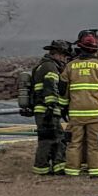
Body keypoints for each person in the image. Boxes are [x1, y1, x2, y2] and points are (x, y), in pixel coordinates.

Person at [64, 29, 98, 177]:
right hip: (97, 114)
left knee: (74, 144)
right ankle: (96, 171)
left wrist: (63, 108)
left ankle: (72, 171)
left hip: (75, 114)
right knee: (95, 145)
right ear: (95, 50)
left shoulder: (70, 67)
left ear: (79, 48)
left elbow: (63, 91)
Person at [29, 39, 72, 176]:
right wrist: (52, 106)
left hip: (42, 109)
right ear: (58, 54)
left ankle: (49, 167)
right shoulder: (50, 67)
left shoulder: (41, 66)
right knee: (54, 139)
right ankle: (49, 167)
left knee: (49, 139)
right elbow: (50, 87)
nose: (65, 59)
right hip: (48, 110)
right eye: (64, 56)